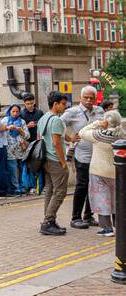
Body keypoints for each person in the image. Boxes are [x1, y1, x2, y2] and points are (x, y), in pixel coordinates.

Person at [62, 85, 104, 229]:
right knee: (82, 186)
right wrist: (69, 139)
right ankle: (75, 217)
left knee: (95, 187)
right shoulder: (72, 112)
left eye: (91, 98)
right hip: (82, 155)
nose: (88, 100)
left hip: (98, 154)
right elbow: (57, 125)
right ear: (80, 98)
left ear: (95, 98)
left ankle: (88, 215)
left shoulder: (99, 111)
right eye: (85, 97)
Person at [78, 109, 123, 236]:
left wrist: (97, 123)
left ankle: (107, 229)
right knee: (116, 200)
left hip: (98, 172)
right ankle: (119, 226)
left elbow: (82, 132)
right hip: (117, 172)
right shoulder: (121, 135)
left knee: (102, 199)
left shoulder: (99, 135)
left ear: (106, 121)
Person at [37, 90, 70, 235]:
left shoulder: (43, 118)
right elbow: (56, 143)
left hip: (46, 160)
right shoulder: (56, 120)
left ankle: (49, 220)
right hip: (56, 160)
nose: (65, 107)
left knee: (50, 190)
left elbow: (42, 138)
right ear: (55, 104)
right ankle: (47, 222)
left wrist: (70, 138)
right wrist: (63, 162)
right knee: (60, 192)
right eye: (63, 104)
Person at [1, 103, 31, 195]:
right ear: (9, 111)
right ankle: (15, 188)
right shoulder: (5, 120)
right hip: (9, 149)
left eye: (17, 111)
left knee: (21, 169)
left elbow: (27, 136)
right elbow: (0, 131)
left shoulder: (22, 122)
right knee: (13, 170)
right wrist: (8, 128)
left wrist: (21, 130)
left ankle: (22, 187)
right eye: (13, 111)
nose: (15, 113)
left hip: (20, 149)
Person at [20, 93, 44, 196]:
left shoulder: (39, 112)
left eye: (31, 103)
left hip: (37, 141)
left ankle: (39, 186)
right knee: (28, 166)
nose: (30, 105)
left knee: (39, 164)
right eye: (28, 104)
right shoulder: (21, 114)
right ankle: (29, 187)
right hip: (27, 143)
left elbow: (43, 125)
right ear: (24, 103)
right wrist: (27, 126)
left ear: (34, 102)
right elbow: (19, 129)